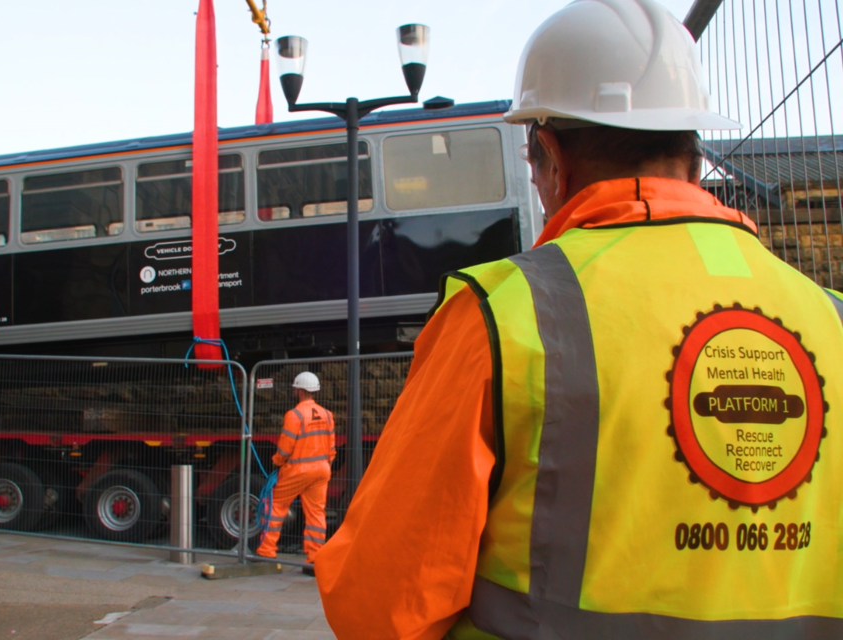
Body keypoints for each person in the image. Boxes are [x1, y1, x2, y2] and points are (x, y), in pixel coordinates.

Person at [315, 0, 843, 637]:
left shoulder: (502, 314)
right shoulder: (831, 320)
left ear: (551, 157)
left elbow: (379, 602)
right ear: (695, 157)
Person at [256, 371, 335, 571]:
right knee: (316, 513)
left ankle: (266, 551)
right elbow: (332, 448)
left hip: (299, 469)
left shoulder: (295, 415)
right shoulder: (327, 415)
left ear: (299, 391)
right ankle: (315, 558)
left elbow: (285, 447)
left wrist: (277, 462)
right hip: (322, 468)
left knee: (275, 505)